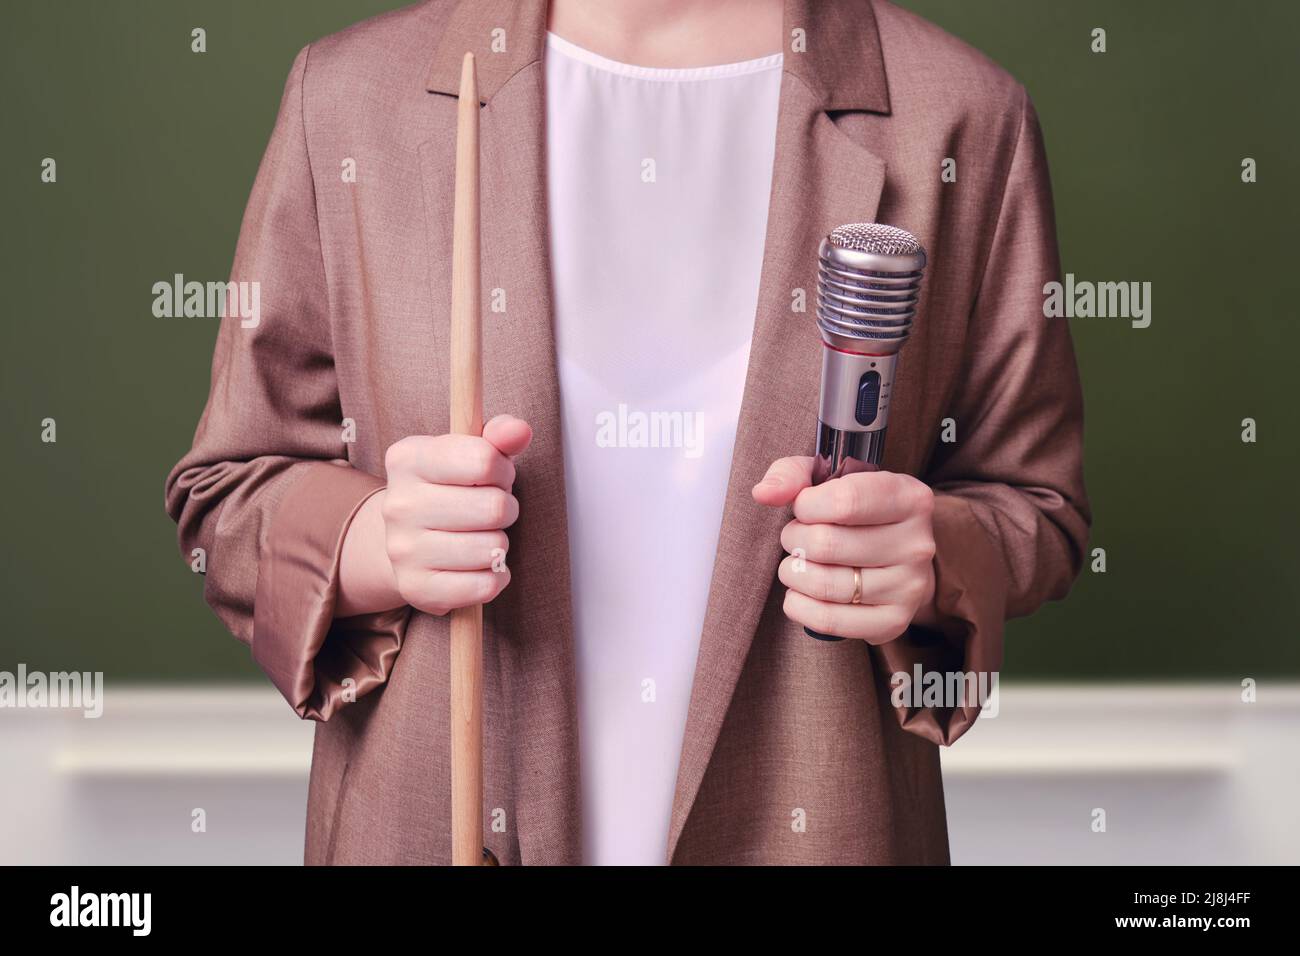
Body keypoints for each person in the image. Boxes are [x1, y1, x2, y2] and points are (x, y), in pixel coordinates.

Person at [166, 0, 1089, 865]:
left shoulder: (963, 116)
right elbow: (228, 496)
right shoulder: (349, 97)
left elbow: (1036, 506)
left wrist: (930, 555)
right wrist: (371, 542)